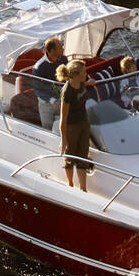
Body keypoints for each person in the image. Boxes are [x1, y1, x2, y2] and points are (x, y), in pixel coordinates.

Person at [57, 59, 96, 191]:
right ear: (76, 74)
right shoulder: (67, 92)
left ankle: (83, 188)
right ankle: (70, 183)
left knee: (82, 156)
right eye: (84, 72)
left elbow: (85, 83)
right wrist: (63, 140)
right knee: (70, 156)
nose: (86, 74)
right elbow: (63, 118)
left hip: (84, 123)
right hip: (72, 127)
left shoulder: (81, 83)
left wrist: (89, 83)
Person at [31, 36, 64, 130]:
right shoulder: (39, 67)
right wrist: (54, 101)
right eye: (60, 47)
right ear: (52, 51)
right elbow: (38, 90)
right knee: (48, 129)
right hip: (46, 104)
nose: (63, 48)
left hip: (62, 100)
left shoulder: (63, 60)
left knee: (62, 127)